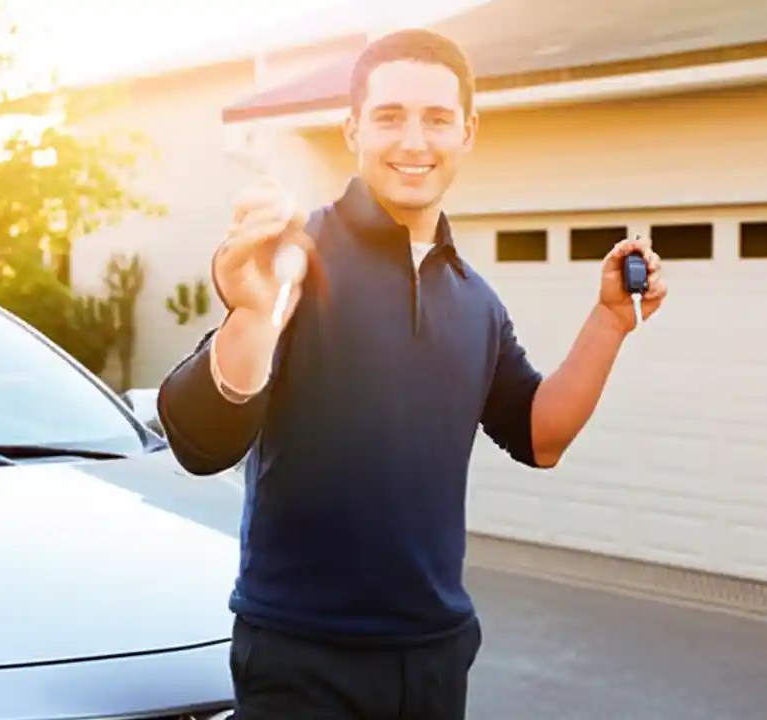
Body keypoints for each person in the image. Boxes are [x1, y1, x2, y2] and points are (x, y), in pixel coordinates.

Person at [157, 27, 667, 720]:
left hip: (433, 656)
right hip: (302, 659)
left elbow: (540, 435)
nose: (413, 141)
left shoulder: (475, 301)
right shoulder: (294, 257)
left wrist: (609, 322)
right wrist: (250, 317)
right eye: (389, 117)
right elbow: (201, 440)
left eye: (436, 119)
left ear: (467, 133)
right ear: (352, 130)